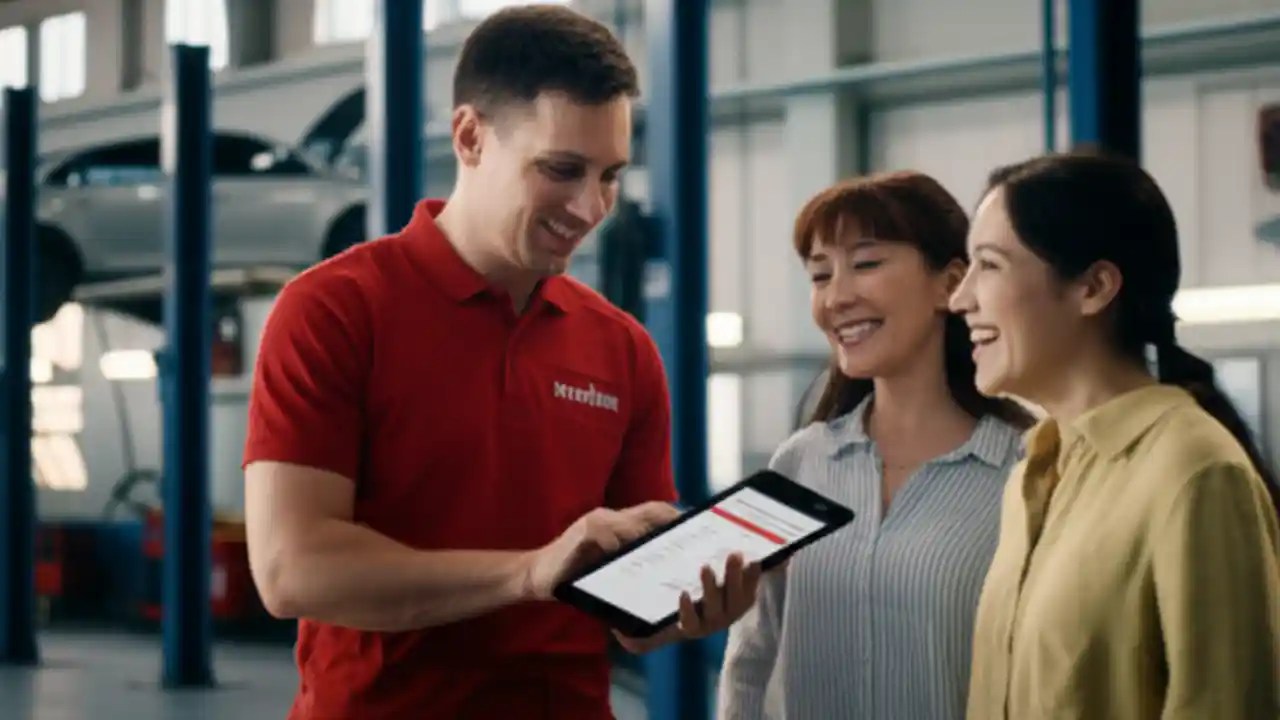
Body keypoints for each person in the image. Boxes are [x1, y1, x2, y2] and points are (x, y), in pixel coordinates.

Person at [241, 6, 758, 719]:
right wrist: (527, 573)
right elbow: (290, 569)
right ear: (470, 137)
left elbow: (630, 618)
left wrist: (681, 605)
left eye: (610, 175)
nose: (590, 206)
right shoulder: (335, 311)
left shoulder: (622, 349)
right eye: (562, 170)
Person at [951, 151, 1280, 719]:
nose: (960, 299)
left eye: (990, 265)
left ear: (1094, 287)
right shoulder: (1036, 470)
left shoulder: (1195, 471)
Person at [717, 171, 1035, 719]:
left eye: (865, 264)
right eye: (820, 275)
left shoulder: (1024, 470)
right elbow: (751, 659)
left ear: (949, 284)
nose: (836, 297)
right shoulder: (801, 463)